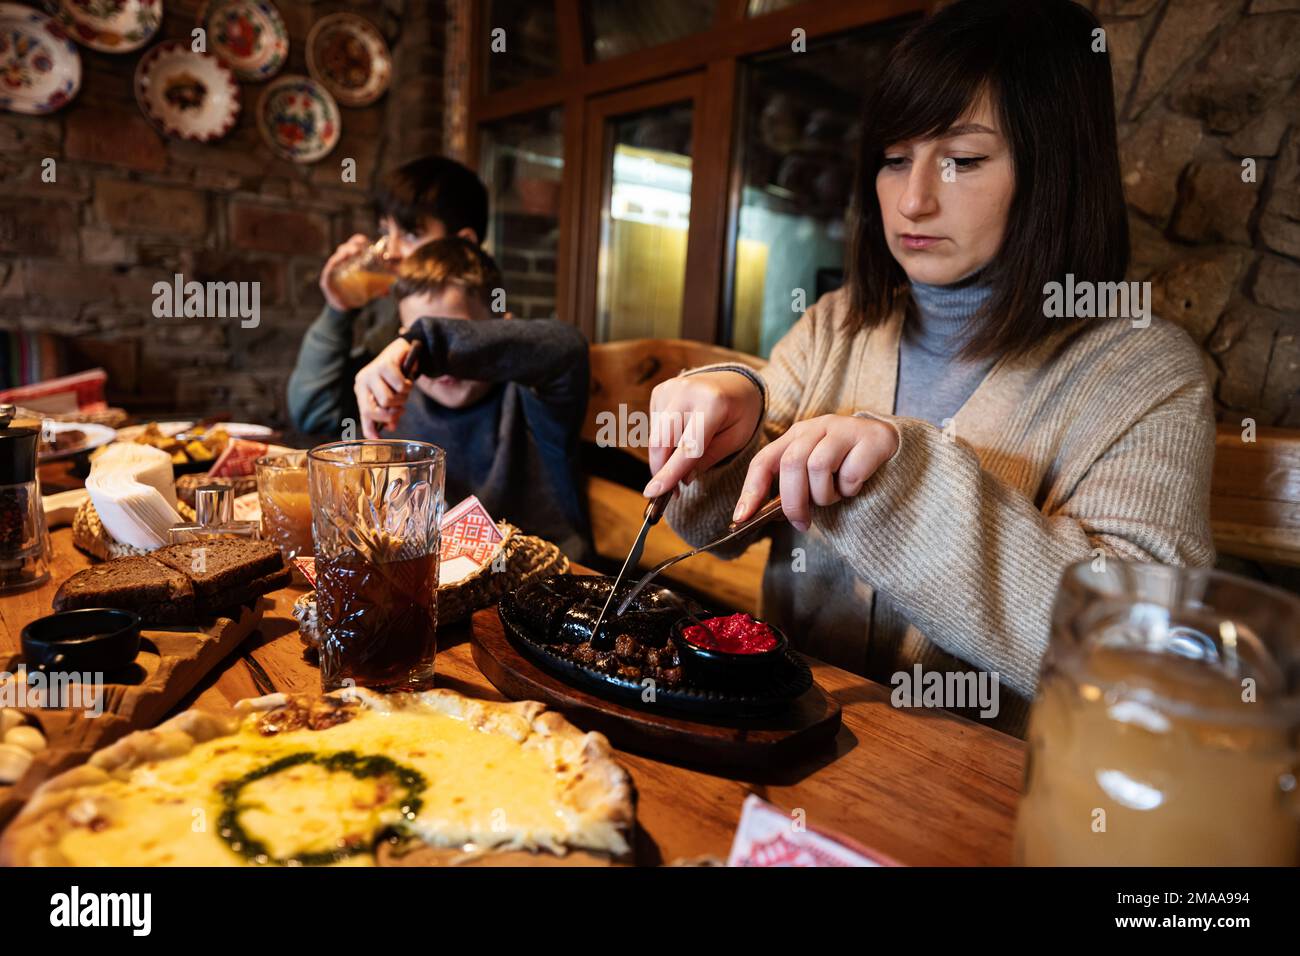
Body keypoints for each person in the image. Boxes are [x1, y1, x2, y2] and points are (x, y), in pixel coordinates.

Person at [642, 0, 1214, 736]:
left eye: (963, 159)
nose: (913, 198)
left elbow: (1141, 658)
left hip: (991, 810)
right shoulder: (839, 324)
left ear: (1056, 165)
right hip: (795, 759)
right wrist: (734, 410)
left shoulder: (1145, 375)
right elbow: (714, 517)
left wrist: (900, 478)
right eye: (892, 158)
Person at [353, 238, 591, 560]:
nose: (437, 366)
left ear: (497, 333)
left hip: (546, 580)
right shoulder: (399, 404)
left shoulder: (534, 398)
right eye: (413, 340)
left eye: (456, 336)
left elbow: (567, 347)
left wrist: (428, 342)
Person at [287, 156, 489, 436]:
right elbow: (315, 417)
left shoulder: (510, 349)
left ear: (464, 245)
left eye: (410, 234)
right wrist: (337, 311)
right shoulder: (389, 333)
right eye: (385, 232)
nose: (390, 252)